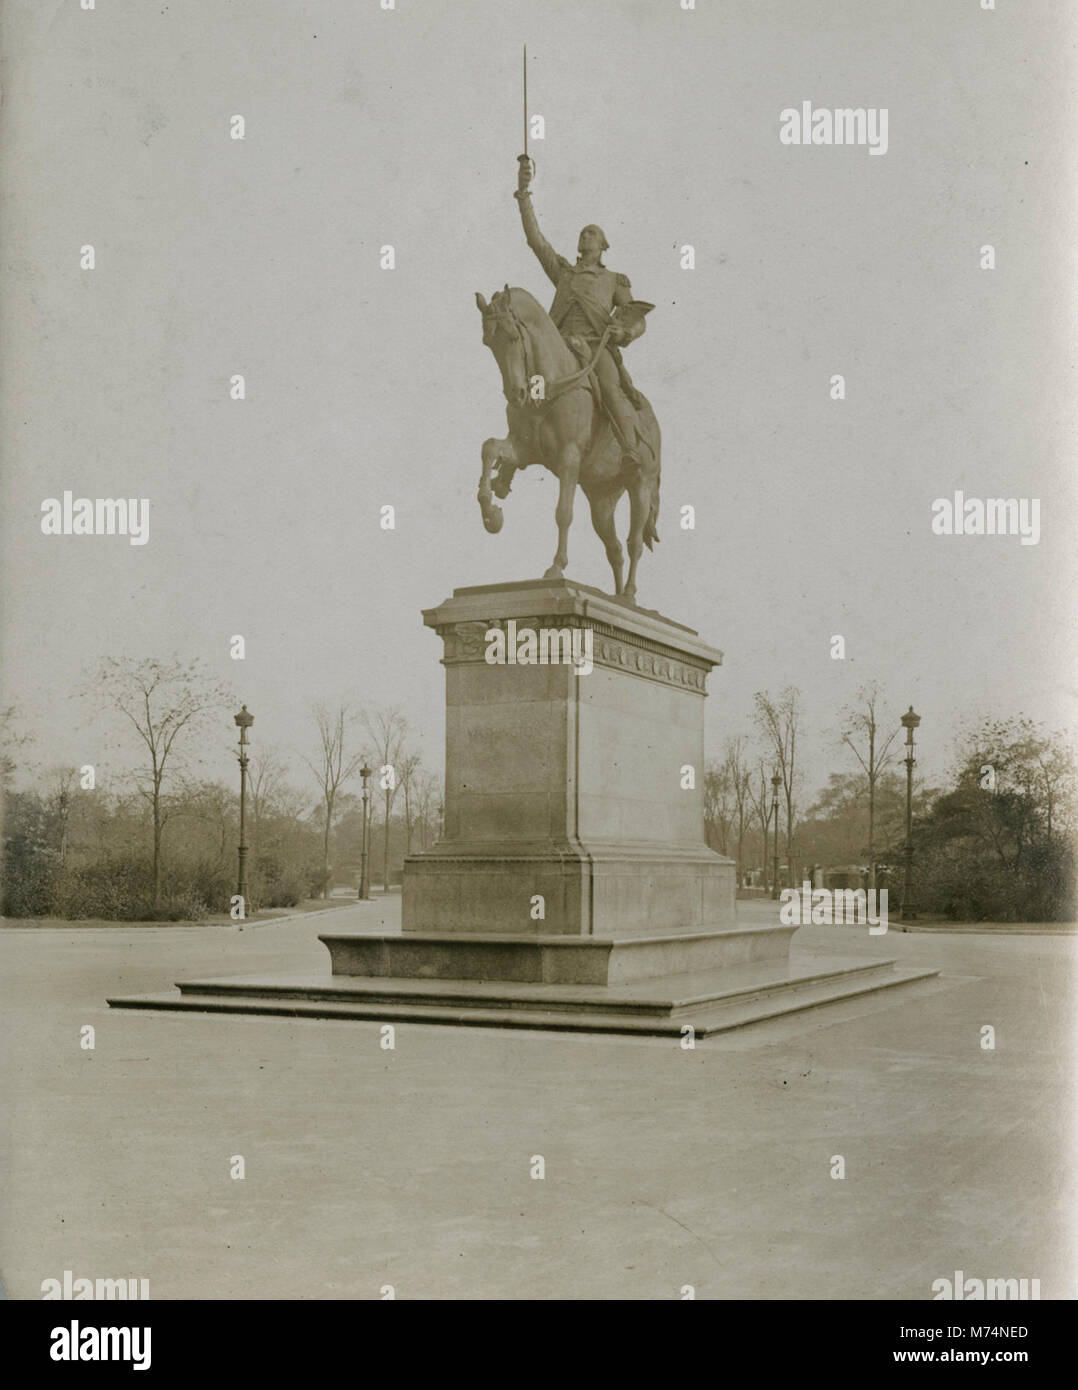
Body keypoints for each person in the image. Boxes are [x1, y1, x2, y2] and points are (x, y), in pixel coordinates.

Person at [514, 155, 648, 468]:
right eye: (582, 233)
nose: (584, 235)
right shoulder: (564, 272)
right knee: (526, 386)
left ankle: (629, 448)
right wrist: (523, 194)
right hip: (560, 345)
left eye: (591, 233)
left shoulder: (614, 280)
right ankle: (518, 446)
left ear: (603, 246)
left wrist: (625, 332)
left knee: (611, 387)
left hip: (594, 347)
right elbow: (536, 240)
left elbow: (634, 315)